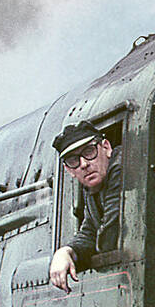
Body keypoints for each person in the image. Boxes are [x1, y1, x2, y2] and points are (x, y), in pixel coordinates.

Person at [49, 122, 122, 291]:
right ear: (69, 170)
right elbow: (90, 230)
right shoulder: (92, 186)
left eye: (89, 152)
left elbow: (109, 238)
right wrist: (66, 252)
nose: (83, 164)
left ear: (106, 147)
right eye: (74, 160)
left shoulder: (121, 168)